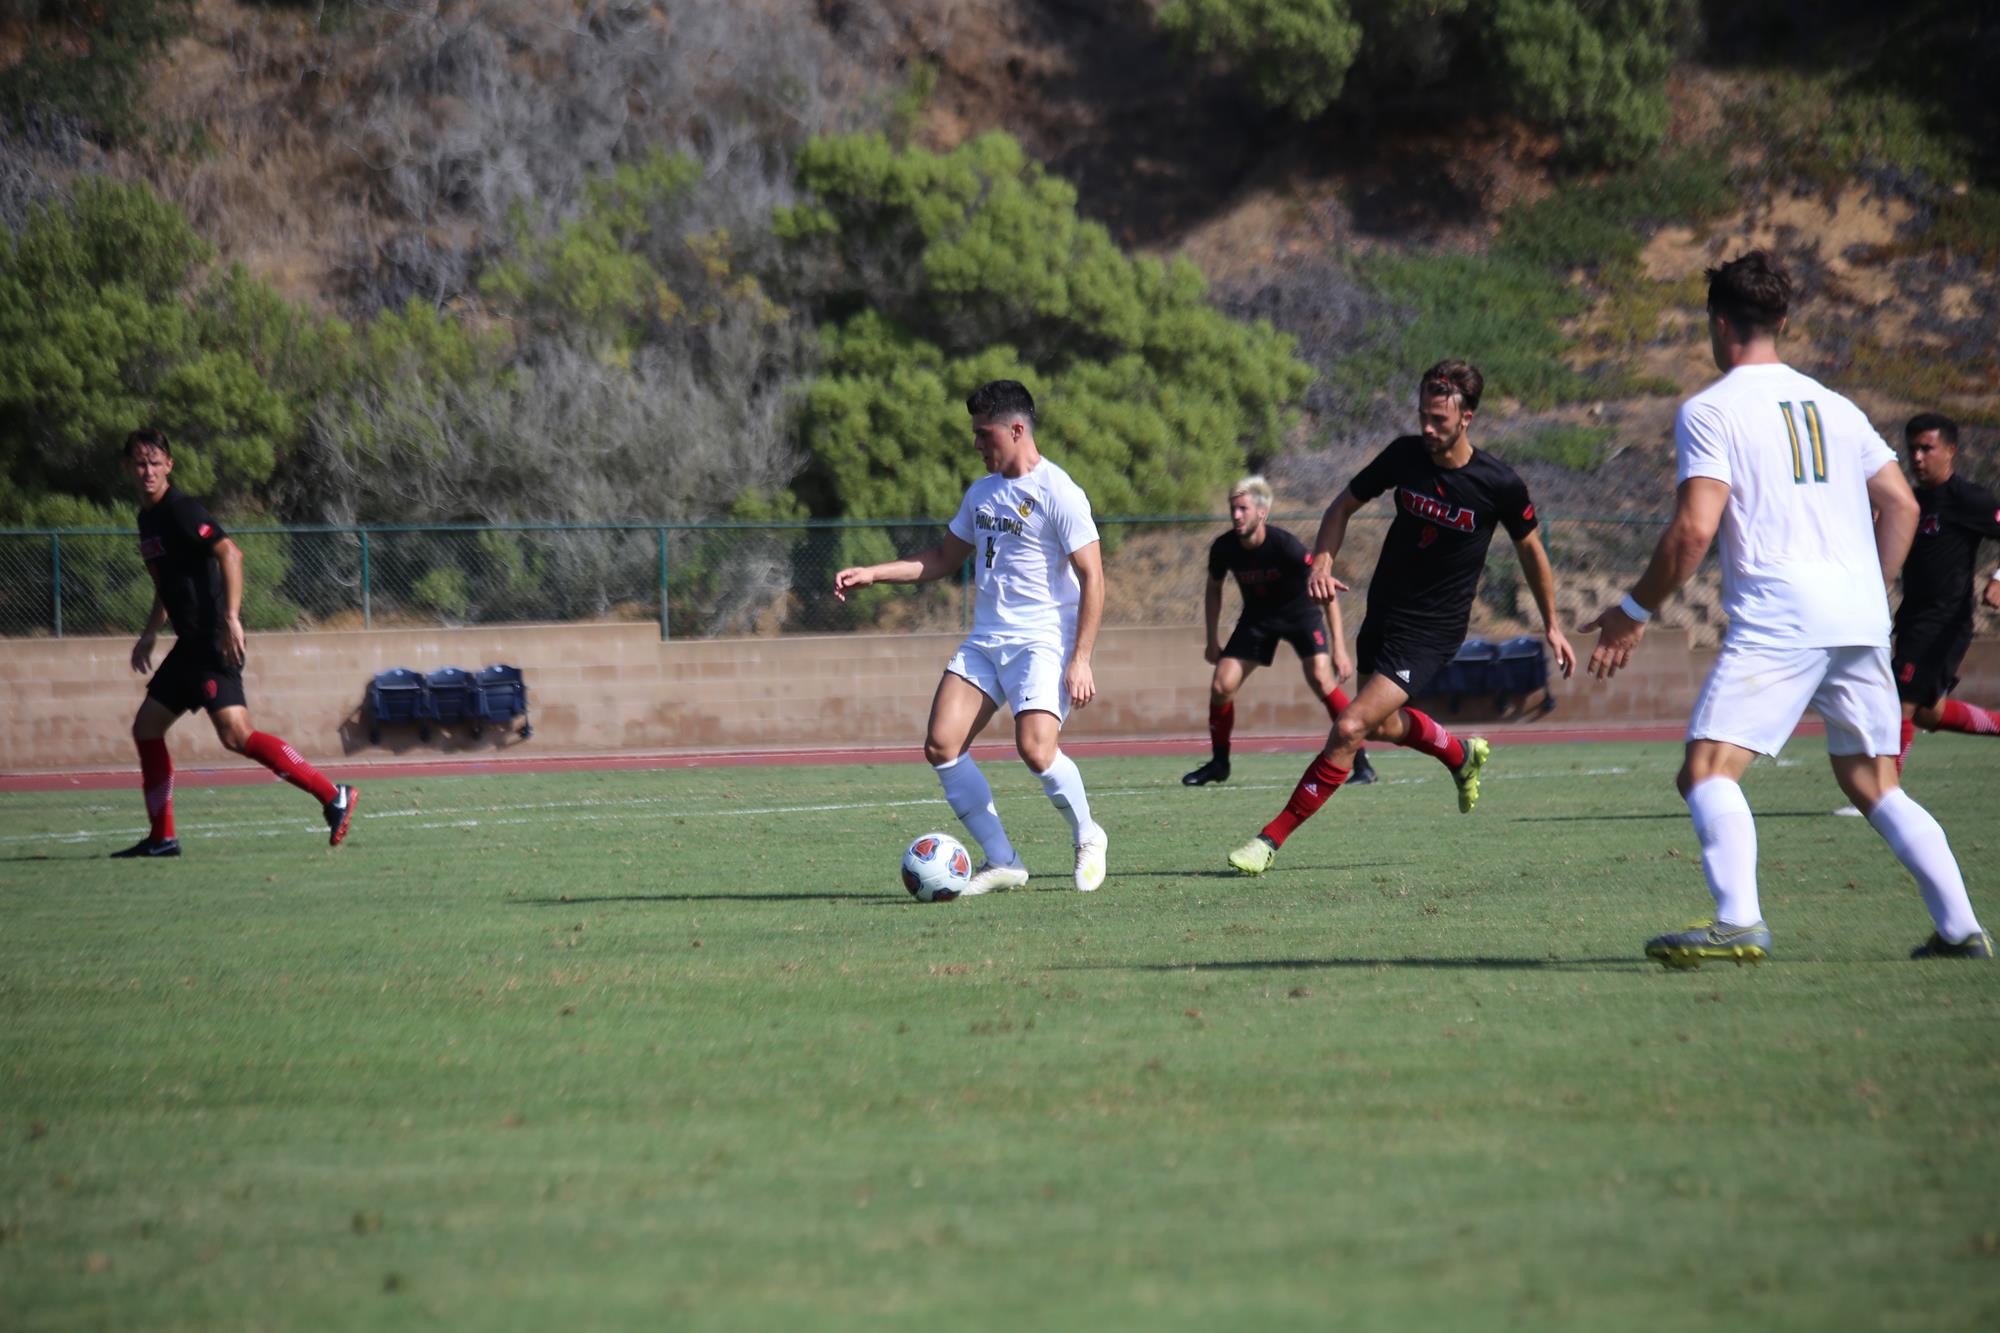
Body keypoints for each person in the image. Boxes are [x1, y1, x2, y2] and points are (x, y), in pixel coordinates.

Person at [1581, 252, 1989, 965]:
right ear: (1782, 321)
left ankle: (1738, 919)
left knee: (1706, 768)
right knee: (1872, 779)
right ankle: (1960, 929)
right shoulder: (1837, 406)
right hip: (1859, 617)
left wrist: (1631, 609)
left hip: (1783, 614)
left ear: (1718, 323)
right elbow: (1900, 503)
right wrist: (1870, 582)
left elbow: (1693, 530)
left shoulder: (1711, 409)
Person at [1227, 360, 1576, 875]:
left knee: (1349, 725)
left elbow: (1530, 551)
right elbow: (1341, 507)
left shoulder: (1498, 483)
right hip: (1384, 612)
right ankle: (1458, 754)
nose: (1428, 428)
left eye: (1439, 419)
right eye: (1423, 416)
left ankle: (1269, 840)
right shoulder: (1404, 456)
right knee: (1384, 725)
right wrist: (1323, 559)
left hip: (1432, 631)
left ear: (1467, 418)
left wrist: (1551, 622)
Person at [833, 381, 1109, 894]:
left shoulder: (1059, 492)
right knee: (942, 744)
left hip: (1043, 641)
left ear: (1017, 429)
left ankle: (1089, 834)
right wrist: (873, 572)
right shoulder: (980, 494)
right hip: (988, 637)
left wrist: (1082, 659)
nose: (977, 445)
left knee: (1036, 750)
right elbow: (941, 559)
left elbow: (1093, 575)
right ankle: (1003, 859)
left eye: (985, 434)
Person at [117, 428, 357, 857]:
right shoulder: (146, 519)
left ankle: (333, 796)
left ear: (169, 466)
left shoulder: (181, 509)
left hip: (212, 643)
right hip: (187, 647)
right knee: (147, 727)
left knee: (237, 735)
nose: (148, 470)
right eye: (140, 463)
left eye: (155, 463)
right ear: (128, 468)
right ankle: (162, 837)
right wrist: (151, 632)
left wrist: (231, 618)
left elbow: (230, 553)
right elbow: (165, 584)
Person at [1182, 474, 1377, 788]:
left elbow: (1325, 592)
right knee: (1222, 684)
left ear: (1262, 513)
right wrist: (1211, 639)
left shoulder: (1286, 546)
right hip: (1258, 618)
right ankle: (1219, 764)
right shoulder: (1223, 548)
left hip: (1299, 612)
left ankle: (1362, 762)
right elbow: (1213, 590)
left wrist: (1339, 648)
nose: (1235, 516)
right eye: (1233, 509)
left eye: (1243, 509)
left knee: (1320, 677)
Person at [1888, 413, 2000, 757]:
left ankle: (1884, 794)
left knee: (1899, 705)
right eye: (1912, 450)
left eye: (1927, 448)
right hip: (1911, 618)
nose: (1918, 457)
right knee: (1928, 711)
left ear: (1950, 450)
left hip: (1945, 622)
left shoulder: (1969, 498)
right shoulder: (1908, 501)